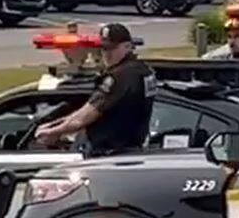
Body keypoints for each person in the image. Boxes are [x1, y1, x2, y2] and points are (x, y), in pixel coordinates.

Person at [34, 23, 155, 156]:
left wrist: (53, 132)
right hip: (130, 152)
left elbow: (85, 117)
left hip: (112, 155)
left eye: (111, 49)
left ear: (127, 46)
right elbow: (84, 111)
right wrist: (56, 124)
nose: (106, 54)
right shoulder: (142, 70)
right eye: (103, 49)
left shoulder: (120, 76)